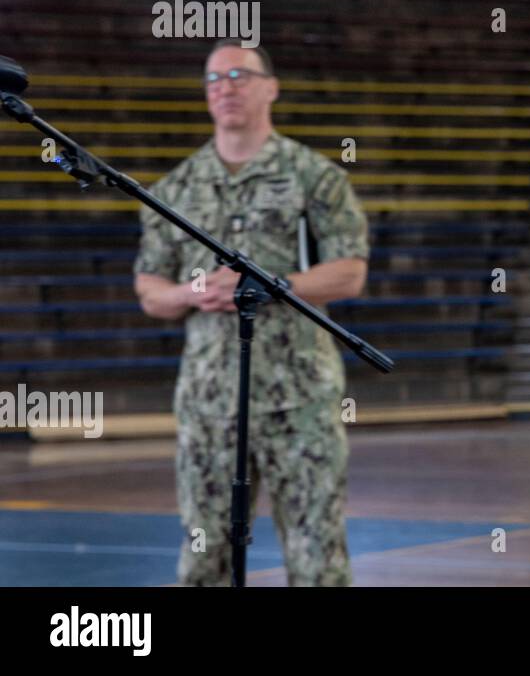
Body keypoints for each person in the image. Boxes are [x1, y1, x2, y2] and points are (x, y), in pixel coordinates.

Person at [134, 38, 369, 585]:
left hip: (299, 400)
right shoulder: (176, 189)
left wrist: (273, 285)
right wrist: (194, 291)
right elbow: (150, 290)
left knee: (317, 556)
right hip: (209, 404)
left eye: (240, 75)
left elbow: (350, 273)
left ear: (271, 88)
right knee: (204, 558)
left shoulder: (316, 178)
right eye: (214, 79)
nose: (226, 88)